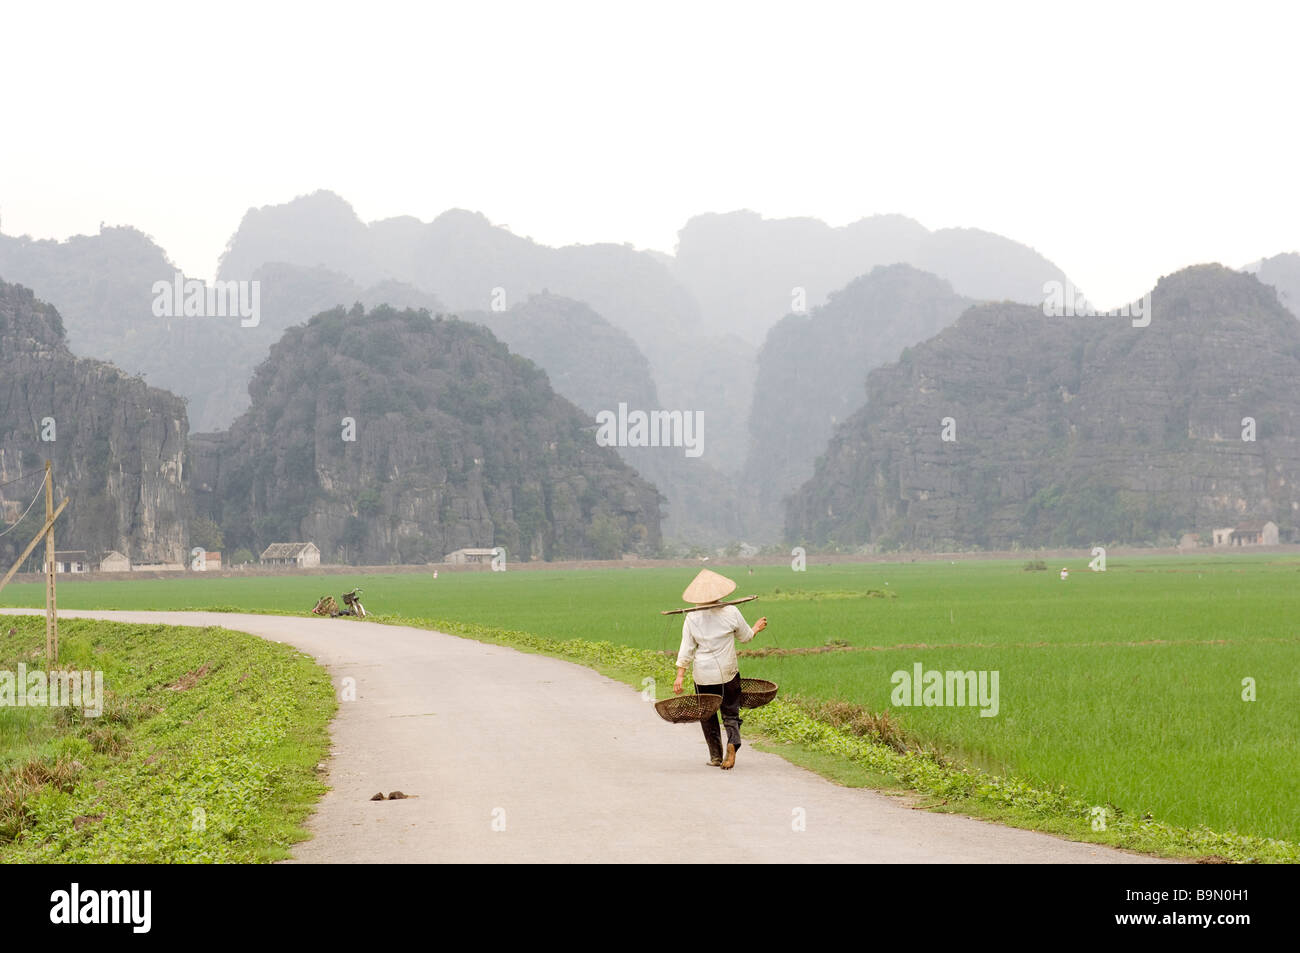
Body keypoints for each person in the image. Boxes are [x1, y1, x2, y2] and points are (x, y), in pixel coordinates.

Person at [672, 569, 767, 769]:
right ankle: (733, 744)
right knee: (730, 712)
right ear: (720, 594)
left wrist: (680, 675)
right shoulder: (731, 611)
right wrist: (756, 628)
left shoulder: (691, 617)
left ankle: (715, 756)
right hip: (727, 673)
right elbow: (745, 637)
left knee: (707, 714)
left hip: (703, 675)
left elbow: (686, 649)